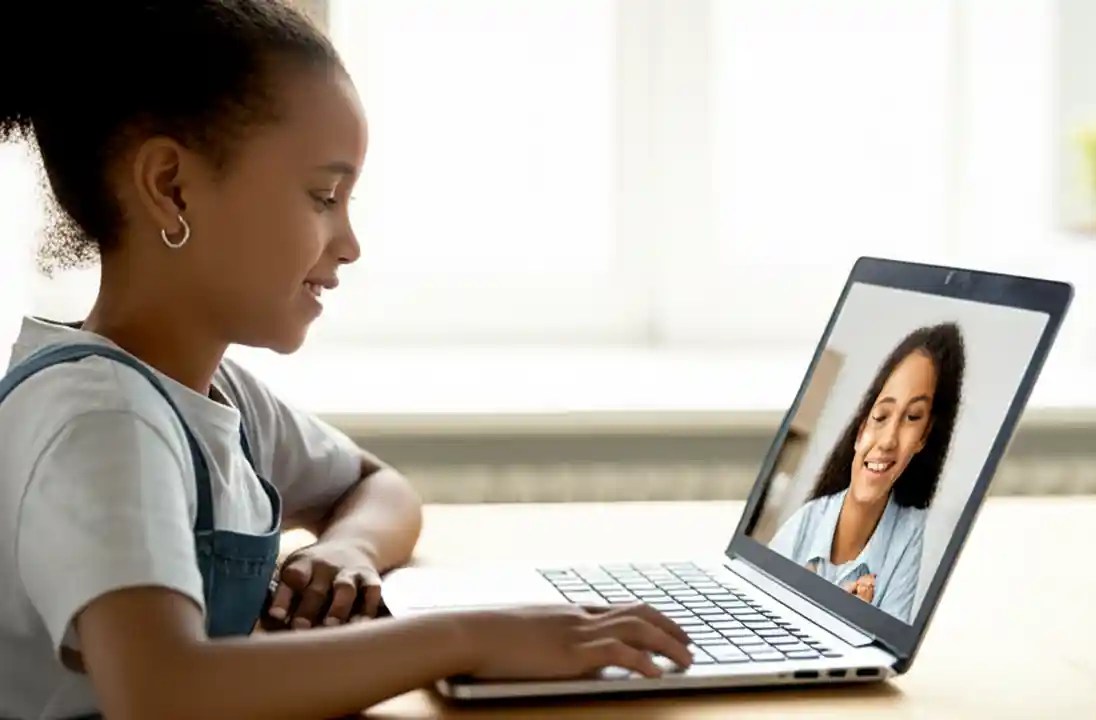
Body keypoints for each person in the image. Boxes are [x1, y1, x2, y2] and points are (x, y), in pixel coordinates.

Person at [0, 3, 691, 718]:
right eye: (323, 196)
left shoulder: (213, 396)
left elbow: (377, 485)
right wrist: (469, 638)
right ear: (171, 188)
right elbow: (163, 692)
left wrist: (349, 550)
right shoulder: (102, 423)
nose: (350, 243)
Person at [768, 323, 965, 623]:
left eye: (912, 417)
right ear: (861, 432)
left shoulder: (913, 536)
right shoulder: (807, 520)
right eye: (881, 416)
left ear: (923, 438)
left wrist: (855, 621)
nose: (887, 441)